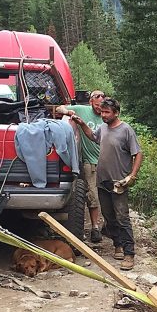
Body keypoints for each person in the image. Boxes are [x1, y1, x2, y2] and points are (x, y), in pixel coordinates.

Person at [68, 97, 141, 270]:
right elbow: (93, 136)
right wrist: (81, 123)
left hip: (119, 182)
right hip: (102, 180)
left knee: (122, 217)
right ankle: (118, 245)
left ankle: (129, 254)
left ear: (116, 113)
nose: (104, 115)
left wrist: (132, 175)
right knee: (109, 216)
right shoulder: (103, 128)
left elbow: (137, 153)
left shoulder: (126, 130)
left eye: (107, 112)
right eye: (102, 112)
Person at [57, 90, 106, 244]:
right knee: (92, 195)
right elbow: (58, 108)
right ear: (91, 102)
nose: (100, 110)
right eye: (98, 106)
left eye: (102, 106)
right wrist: (67, 111)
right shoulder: (82, 110)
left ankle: (108, 226)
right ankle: (95, 228)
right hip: (90, 162)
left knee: (108, 195)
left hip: (107, 161)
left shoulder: (107, 115)